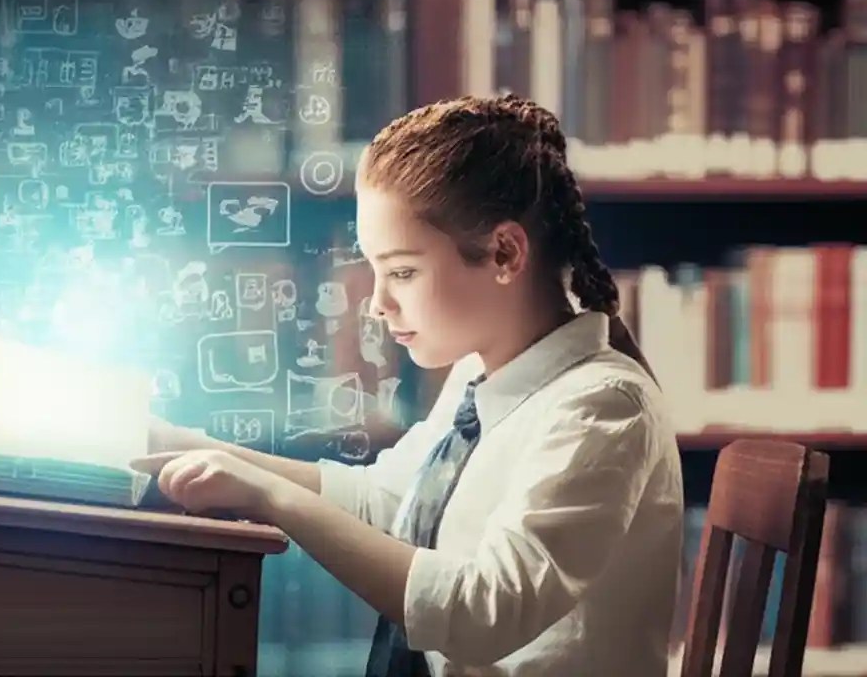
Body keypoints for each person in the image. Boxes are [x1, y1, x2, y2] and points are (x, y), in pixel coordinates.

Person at [132, 94, 684, 677]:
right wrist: (189, 446)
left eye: (401, 271)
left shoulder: (602, 407)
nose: (376, 304)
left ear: (504, 252)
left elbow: (484, 613)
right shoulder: (480, 374)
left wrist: (270, 499)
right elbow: (387, 499)